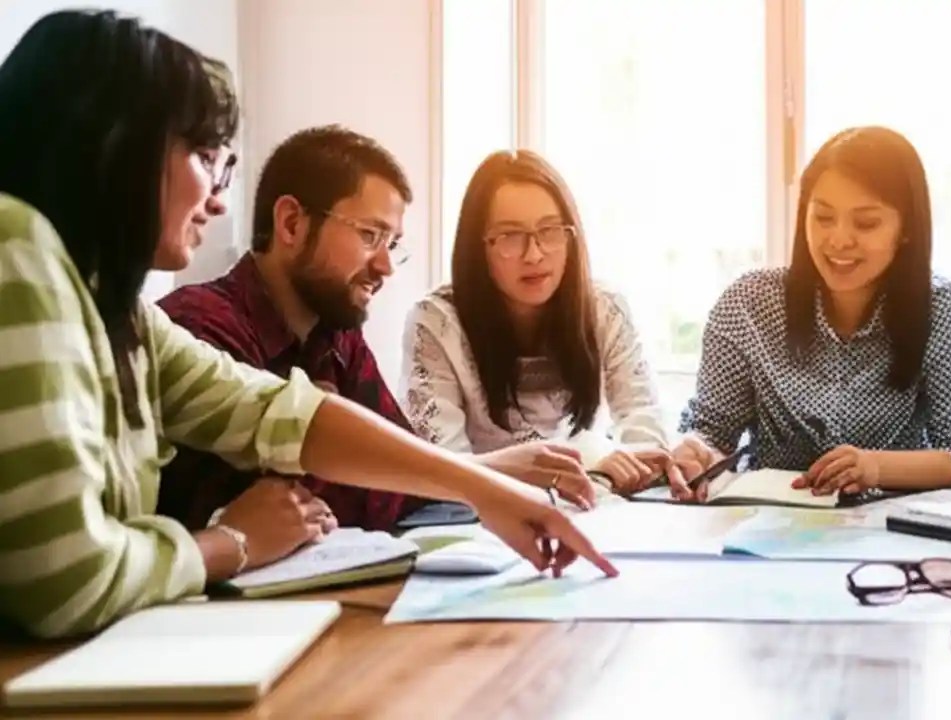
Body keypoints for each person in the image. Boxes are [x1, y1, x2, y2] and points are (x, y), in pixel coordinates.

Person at [0, 10, 613, 640]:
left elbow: (273, 410)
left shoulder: (117, 310)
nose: (217, 196)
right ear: (115, 147)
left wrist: (483, 486)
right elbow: (67, 582)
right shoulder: (17, 246)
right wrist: (229, 544)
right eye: (205, 157)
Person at [157, 126, 597, 532]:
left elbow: (398, 480)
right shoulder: (199, 327)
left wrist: (498, 469)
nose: (385, 266)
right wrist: (480, 475)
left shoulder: (336, 335)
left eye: (392, 244)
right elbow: (294, 508)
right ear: (291, 223)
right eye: (370, 235)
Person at [671, 126, 951, 503]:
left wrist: (877, 468)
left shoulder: (941, 310)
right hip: (770, 528)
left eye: (866, 223)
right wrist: (696, 450)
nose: (839, 240)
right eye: (823, 217)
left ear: (906, 228)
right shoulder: (748, 304)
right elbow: (712, 430)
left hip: (893, 533)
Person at [401, 150, 671, 507]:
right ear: (477, 246)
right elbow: (441, 468)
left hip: (593, 511)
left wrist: (628, 464)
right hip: (483, 524)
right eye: (511, 236)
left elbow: (644, 428)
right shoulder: (436, 323)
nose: (534, 254)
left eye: (549, 231)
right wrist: (588, 463)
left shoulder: (604, 309)